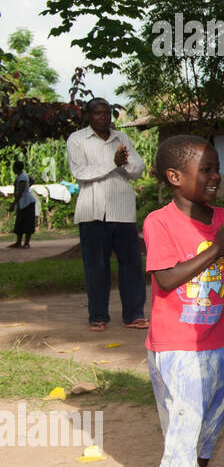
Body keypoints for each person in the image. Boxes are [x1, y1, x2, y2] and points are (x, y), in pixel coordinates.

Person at [143, 136, 224, 467]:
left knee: (213, 413)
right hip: (175, 342)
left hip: (214, 341)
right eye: (204, 169)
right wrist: (215, 250)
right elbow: (167, 280)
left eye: (216, 168)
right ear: (174, 176)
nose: (215, 177)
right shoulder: (160, 222)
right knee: (185, 412)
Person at [66, 97, 147, 332]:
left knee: (131, 265)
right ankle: (98, 316)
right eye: (98, 113)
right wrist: (113, 164)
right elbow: (81, 172)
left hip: (122, 212)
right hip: (92, 212)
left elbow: (138, 170)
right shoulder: (77, 139)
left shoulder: (122, 138)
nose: (104, 117)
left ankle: (133, 315)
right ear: (88, 116)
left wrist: (124, 164)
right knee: (96, 266)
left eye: (107, 113)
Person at [11, 161, 36, 248]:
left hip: (26, 202)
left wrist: (13, 203)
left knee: (27, 223)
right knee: (20, 222)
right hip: (23, 202)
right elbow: (32, 180)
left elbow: (20, 192)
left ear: (16, 168)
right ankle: (18, 242)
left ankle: (26, 243)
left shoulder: (22, 177)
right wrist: (27, 187)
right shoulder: (24, 176)